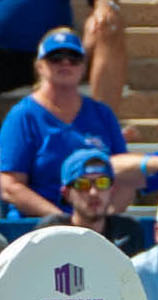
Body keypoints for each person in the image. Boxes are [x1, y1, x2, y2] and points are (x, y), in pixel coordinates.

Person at [0, 27, 127, 218]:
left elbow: (125, 176)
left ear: (83, 67)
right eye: (55, 58)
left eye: (74, 58)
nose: (65, 63)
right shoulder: (23, 116)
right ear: (39, 66)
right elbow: (10, 186)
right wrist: (63, 221)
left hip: (94, 222)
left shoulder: (102, 114)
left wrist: (101, 220)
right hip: (36, 224)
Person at [37, 143, 139, 255]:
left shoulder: (127, 231)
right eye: (82, 184)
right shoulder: (51, 233)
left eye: (102, 182)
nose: (93, 192)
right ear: (66, 193)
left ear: (112, 190)